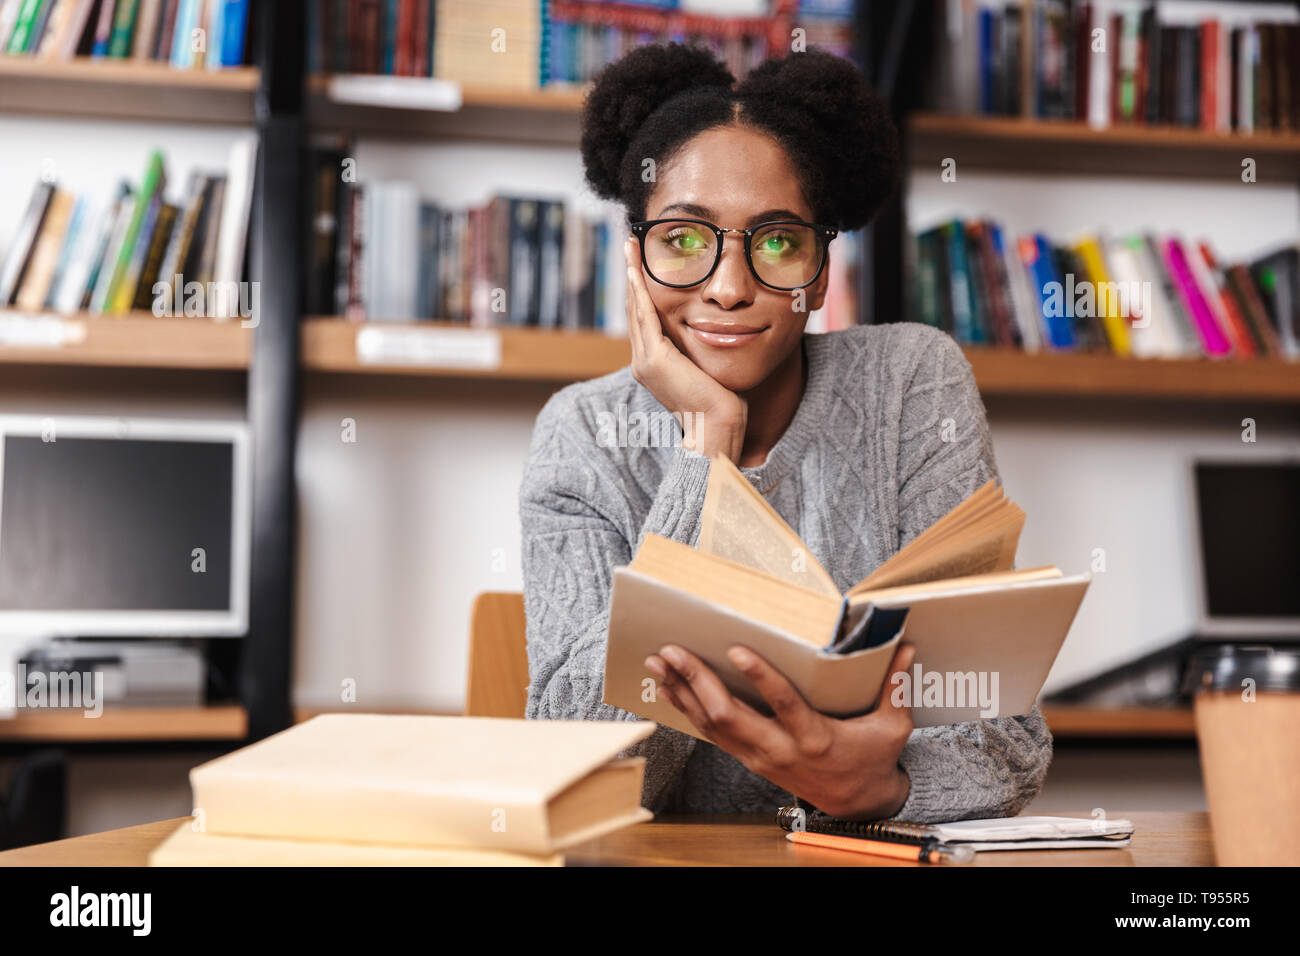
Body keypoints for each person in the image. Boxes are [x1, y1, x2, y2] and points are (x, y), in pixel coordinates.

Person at [520, 42, 1051, 821]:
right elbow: (581, 773)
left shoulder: (909, 383)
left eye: (775, 241)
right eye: (683, 240)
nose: (730, 288)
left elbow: (1007, 738)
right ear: (632, 257)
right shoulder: (581, 434)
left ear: (820, 270)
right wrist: (708, 448)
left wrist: (880, 789)